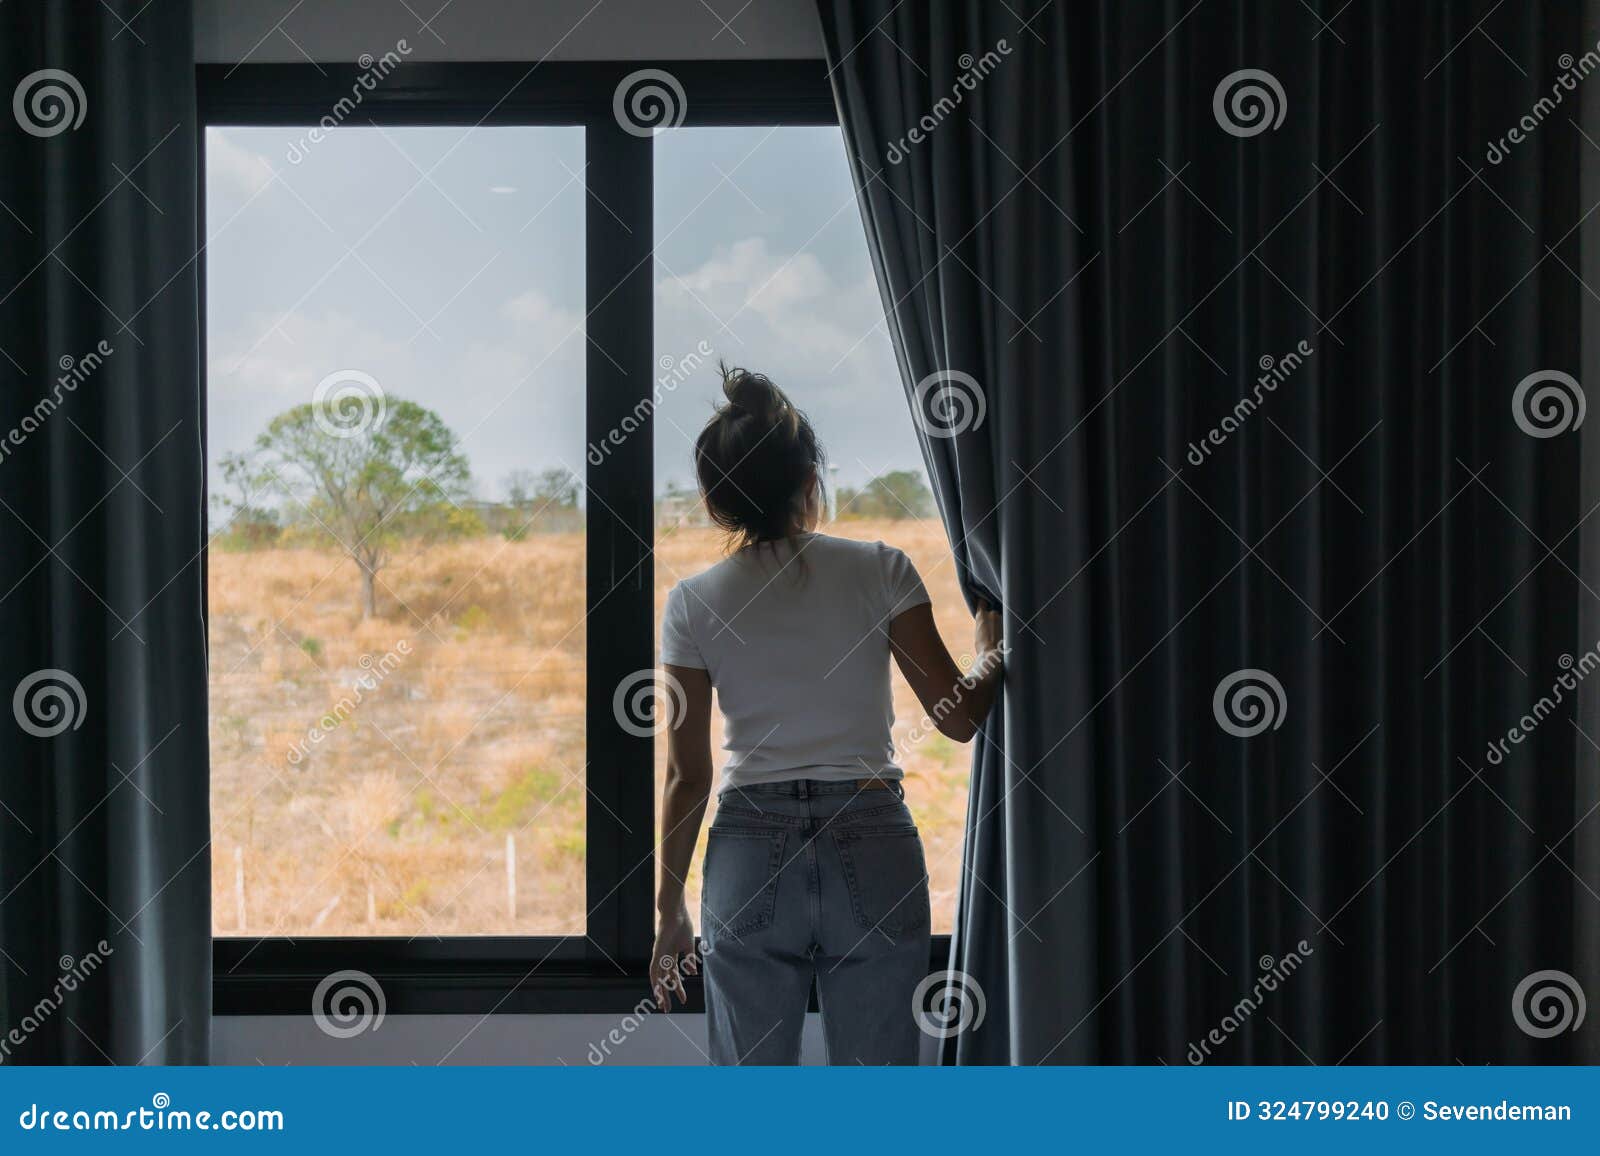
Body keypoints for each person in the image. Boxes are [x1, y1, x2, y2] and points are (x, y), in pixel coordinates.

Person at [649, 365, 1004, 1065]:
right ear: (809, 478)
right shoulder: (881, 567)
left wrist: (669, 909)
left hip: (748, 850)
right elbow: (958, 718)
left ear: (718, 501)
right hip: (871, 838)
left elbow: (687, 776)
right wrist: (990, 651)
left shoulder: (691, 603)